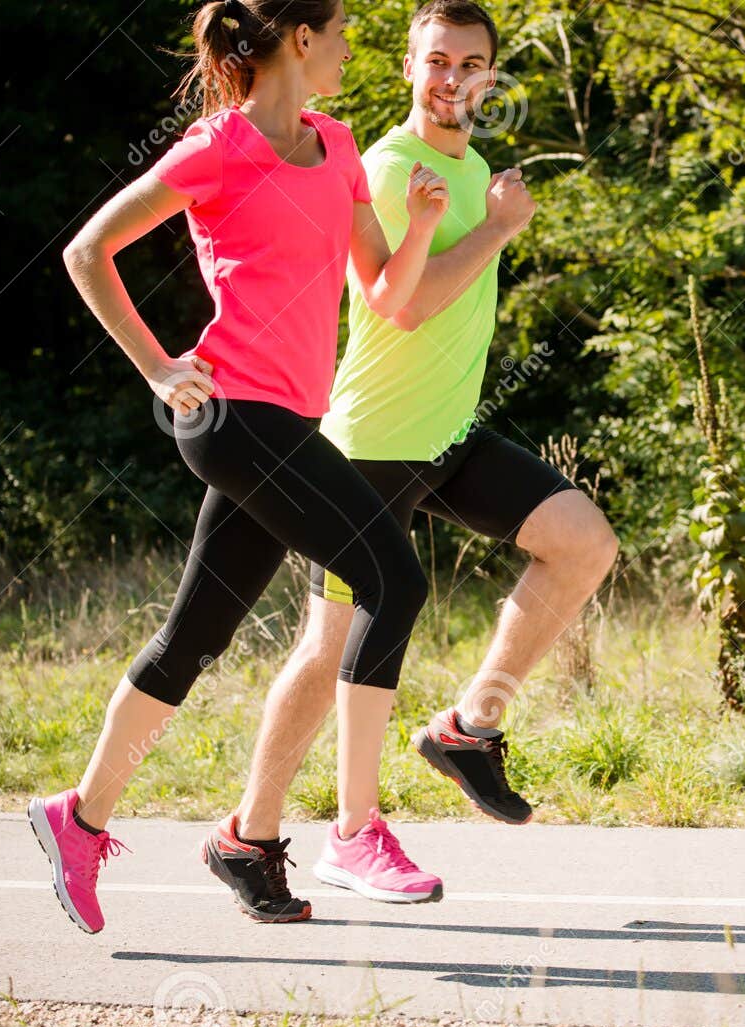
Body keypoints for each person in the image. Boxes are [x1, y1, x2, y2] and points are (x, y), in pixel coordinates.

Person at [27, 0, 450, 934]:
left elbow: (381, 292)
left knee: (194, 637)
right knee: (395, 578)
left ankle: (84, 819)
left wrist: (421, 224)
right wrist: (158, 365)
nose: (349, 48)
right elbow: (87, 250)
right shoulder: (215, 149)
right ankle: (351, 824)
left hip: (291, 421)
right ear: (299, 40)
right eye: (339, 32)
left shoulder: (337, 148)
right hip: (230, 415)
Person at [200, 0, 617, 920]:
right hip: (375, 444)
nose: (452, 78)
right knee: (327, 650)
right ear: (408, 68)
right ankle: (263, 833)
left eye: (471, 63)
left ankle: (470, 727)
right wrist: (501, 229)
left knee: (583, 542)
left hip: (449, 435)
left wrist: (494, 214)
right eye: (436, 60)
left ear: (490, 78)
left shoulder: (471, 169)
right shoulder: (389, 168)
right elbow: (404, 303)